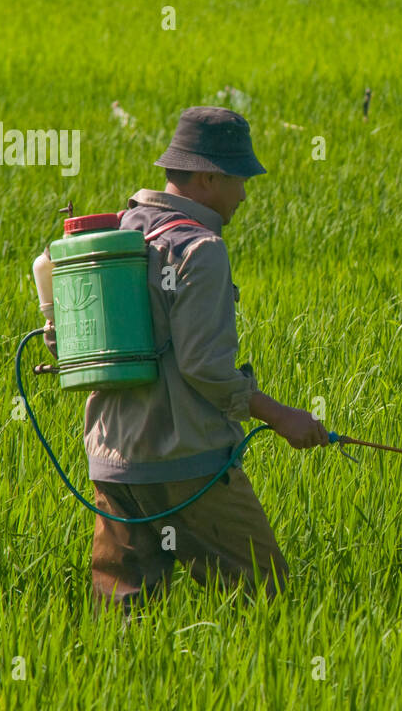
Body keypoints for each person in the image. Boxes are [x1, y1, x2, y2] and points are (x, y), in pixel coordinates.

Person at [48, 106, 328, 609]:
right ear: (206, 176)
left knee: (123, 616)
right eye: (239, 179)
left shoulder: (119, 233)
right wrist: (282, 416)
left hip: (114, 468)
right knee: (269, 605)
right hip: (188, 469)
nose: (243, 194)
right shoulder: (199, 249)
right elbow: (206, 368)